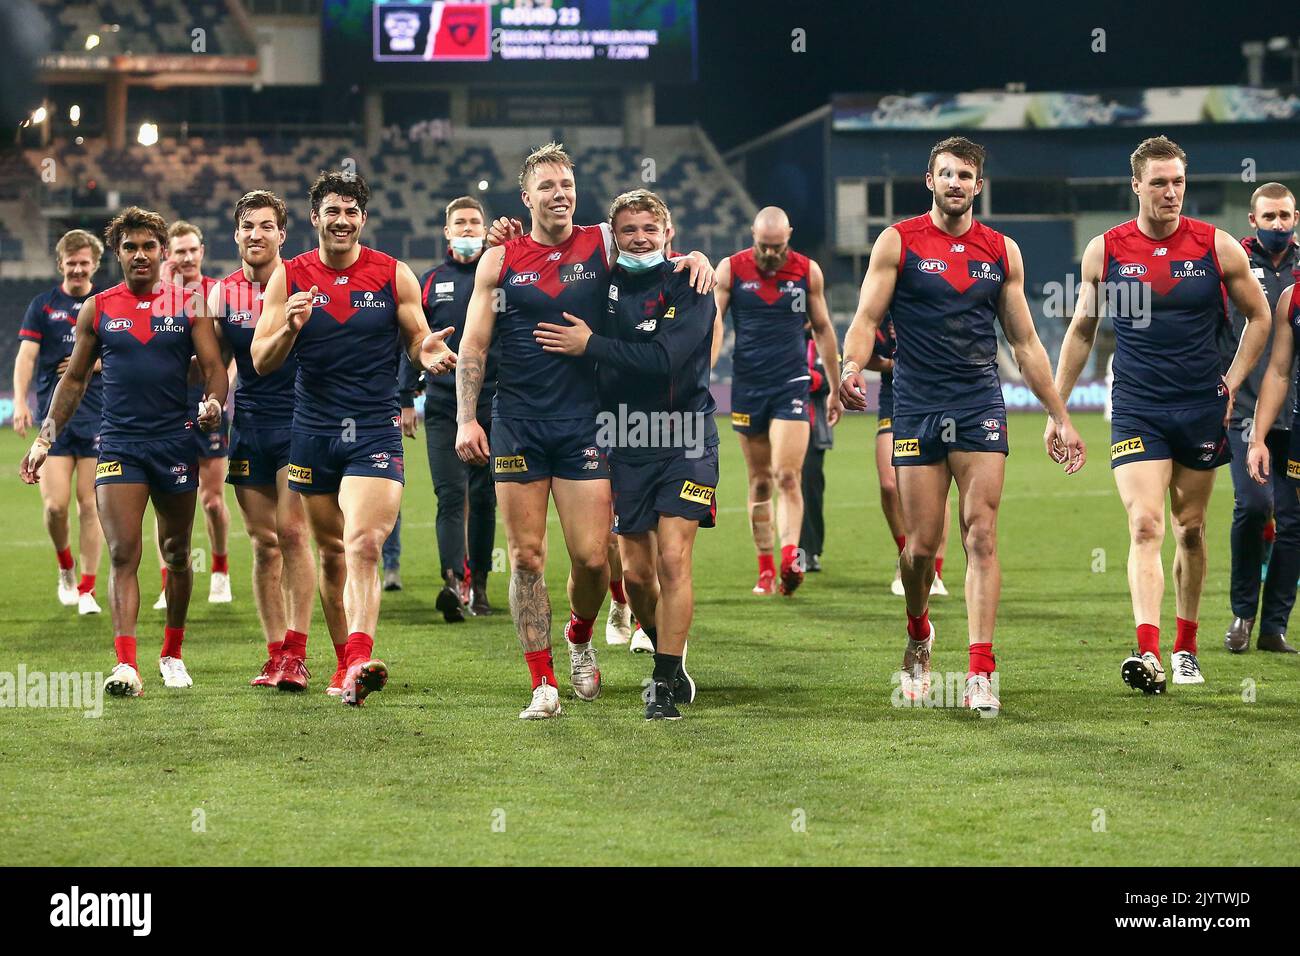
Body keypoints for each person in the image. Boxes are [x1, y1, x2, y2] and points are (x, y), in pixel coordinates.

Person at [454, 142, 713, 720]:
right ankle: (542, 682)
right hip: (517, 421)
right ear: (526, 198)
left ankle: (579, 633)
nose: (559, 194)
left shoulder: (600, 243)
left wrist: (695, 256)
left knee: (595, 559)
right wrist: (468, 416)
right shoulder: (499, 261)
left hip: (586, 423)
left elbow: (653, 248)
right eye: (546, 186)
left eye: (567, 184)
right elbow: (473, 343)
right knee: (524, 558)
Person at [841, 135, 1084, 716]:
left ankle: (980, 669)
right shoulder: (897, 241)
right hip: (916, 404)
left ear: (979, 186)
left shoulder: (1001, 251)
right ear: (930, 181)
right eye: (945, 174)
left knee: (981, 534)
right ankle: (920, 631)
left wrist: (1060, 414)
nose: (955, 183)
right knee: (921, 548)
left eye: (965, 176)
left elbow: (1024, 342)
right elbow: (866, 318)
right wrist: (851, 365)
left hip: (979, 403)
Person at [1053, 135, 1271, 694]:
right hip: (1136, 407)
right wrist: (1058, 408)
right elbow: (1082, 329)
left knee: (1190, 530)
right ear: (1136, 185)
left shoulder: (1217, 247)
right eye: (1159, 182)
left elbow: (1261, 318)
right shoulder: (1106, 250)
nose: (1170, 192)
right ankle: (1148, 653)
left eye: (1178, 182)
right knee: (1145, 525)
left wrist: (1232, 381)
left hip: (1201, 407)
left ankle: (1186, 646)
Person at [252, 170, 454, 706]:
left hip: (373, 428)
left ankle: (361, 654)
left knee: (364, 543)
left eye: (351, 212)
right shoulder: (288, 277)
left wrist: (426, 353)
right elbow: (259, 360)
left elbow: (417, 339)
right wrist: (289, 329)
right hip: (313, 431)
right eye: (331, 212)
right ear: (315, 218)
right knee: (331, 552)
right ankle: (346, 668)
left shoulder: (393, 274)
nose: (341, 221)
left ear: (362, 219)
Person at [20, 206, 229, 697]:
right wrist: (45, 437)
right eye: (130, 247)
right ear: (117, 254)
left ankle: (172, 653)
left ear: (162, 252)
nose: (140, 255)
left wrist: (214, 401)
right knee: (122, 552)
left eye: (148, 246)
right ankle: (127, 665)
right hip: (118, 444)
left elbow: (215, 366)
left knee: (177, 554)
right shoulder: (98, 307)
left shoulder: (188, 303)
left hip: (176, 441)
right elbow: (72, 380)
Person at [534, 188, 716, 719]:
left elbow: (665, 359)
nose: (640, 239)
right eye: (629, 230)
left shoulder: (692, 283)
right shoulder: (601, 285)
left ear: (668, 234)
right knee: (636, 575)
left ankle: (663, 678)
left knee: (674, 558)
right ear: (615, 236)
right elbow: (547, 272)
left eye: (650, 230)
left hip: (686, 435)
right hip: (626, 436)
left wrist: (591, 344)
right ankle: (666, 645)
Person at [204, 190, 324, 692]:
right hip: (249, 427)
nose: (256, 234)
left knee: (293, 534)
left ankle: (297, 653)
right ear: (236, 234)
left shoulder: (302, 280)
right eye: (247, 226)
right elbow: (213, 367)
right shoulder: (220, 294)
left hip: (298, 422)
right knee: (262, 543)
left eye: (266, 226)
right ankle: (275, 653)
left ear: (282, 234)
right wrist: (212, 401)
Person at [712, 207, 842, 596]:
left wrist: (835, 387)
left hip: (791, 385)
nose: (770, 254)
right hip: (748, 387)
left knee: (787, 476)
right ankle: (765, 568)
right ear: (752, 235)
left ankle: (790, 557)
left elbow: (823, 329)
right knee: (759, 481)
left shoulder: (807, 271)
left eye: (778, 246)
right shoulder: (731, 270)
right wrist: (703, 372)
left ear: (789, 235)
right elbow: (715, 322)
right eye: (763, 247)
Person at [402, 196, 498, 621]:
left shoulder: (499, 274)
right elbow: (412, 342)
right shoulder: (430, 281)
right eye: (459, 222)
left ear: (484, 227)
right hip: (441, 405)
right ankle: (452, 582)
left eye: (474, 222)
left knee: (484, 498)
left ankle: (479, 585)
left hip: (495, 403)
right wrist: (405, 398)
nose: (467, 229)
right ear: (446, 232)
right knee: (450, 494)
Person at [1223, 183, 1300, 654]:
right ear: (1253, 220)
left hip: (1295, 418)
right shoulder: (1230, 263)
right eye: (1268, 217)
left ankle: (1275, 626)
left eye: (1285, 216)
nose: (1277, 224)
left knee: (1293, 522)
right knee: (1253, 507)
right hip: (1246, 411)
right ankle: (1242, 615)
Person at [13, 229, 106, 615]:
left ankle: (87, 589)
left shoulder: (105, 304)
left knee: (90, 506)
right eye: (72, 262)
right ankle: (65, 567)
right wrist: (20, 400)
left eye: (85, 262)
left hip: (99, 417)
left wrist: (91, 363)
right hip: (54, 421)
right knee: (55, 507)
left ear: (95, 265)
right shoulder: (44, 305)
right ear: (61, 264)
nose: (79, 268)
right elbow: (26, 357)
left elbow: (125, 350)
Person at [155, 221, 234, 609]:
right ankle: (165, 581)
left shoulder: (217, 294)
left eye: (192, 250)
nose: (186, 258)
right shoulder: (155, 297)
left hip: (209, 405)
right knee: (165, 498)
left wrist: (219, 394)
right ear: (168, 254)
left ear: (202, 251)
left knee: (213, 500)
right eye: (179, 251)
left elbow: (228, 355)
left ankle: (219, 572)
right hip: (165, 411)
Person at [866, 316, 950, 597]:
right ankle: (908, 560)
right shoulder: (884, 303)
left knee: (938, 486)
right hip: (897, 396)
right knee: (889, 484)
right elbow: (863, 352)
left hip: (939, 394)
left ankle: (934, 571)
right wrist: (892, 364)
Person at [799, 333, 833, 573]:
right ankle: (791, 551)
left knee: (810, 489)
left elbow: (830, 381)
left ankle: (810, 551)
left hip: (812, 429)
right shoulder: (777, 334)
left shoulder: (821, 343)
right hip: (777, 424)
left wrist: (802, 375)